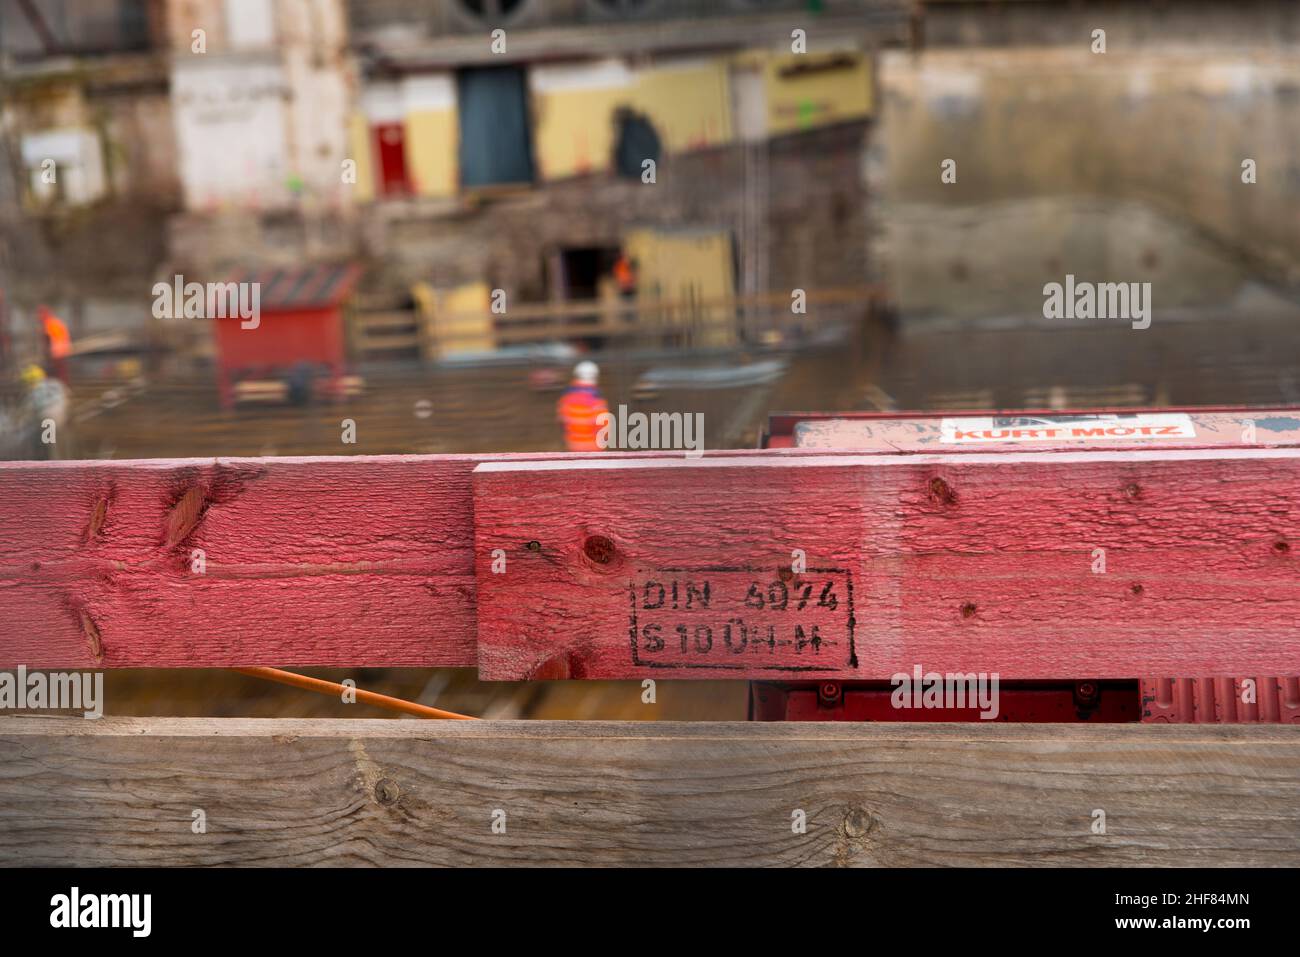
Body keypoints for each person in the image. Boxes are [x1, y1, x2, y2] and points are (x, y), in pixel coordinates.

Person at [557, 360, 608, 452]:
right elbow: (603, 427)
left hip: (573, 446)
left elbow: (562, 421)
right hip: (594, 448)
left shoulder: (566, 399)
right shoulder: (597, 400)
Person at [38, 306, 71, 384]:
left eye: (40, 314)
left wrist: (47, 351)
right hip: (61, 350)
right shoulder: (55, 322)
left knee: (56, 372)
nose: (38, 317)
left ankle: (59, 386)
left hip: (56, 351)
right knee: (61, 371)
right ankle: (63, 385)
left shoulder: (50, 324)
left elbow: (48, 339)